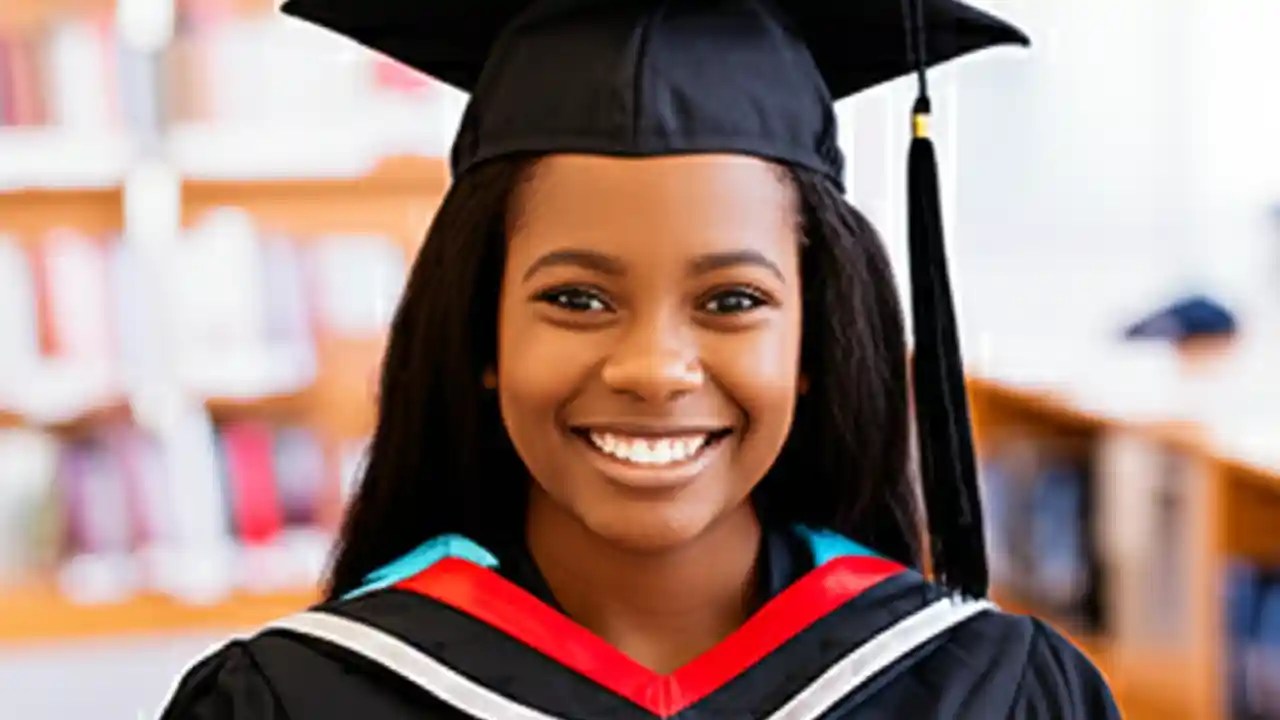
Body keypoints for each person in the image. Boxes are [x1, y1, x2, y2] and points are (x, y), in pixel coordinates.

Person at [161, 0, 1121, 717]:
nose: (656, 367)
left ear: (815, 344)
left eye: (733, 301)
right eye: (576, 299)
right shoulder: (295, 702)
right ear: (480, 334)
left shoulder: (988, 694)